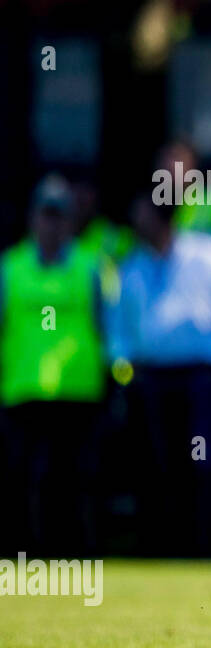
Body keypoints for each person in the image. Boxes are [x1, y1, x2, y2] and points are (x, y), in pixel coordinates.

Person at [108, 190, 211, 556]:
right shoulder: (132, 265)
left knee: (201, 459)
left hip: (200, 377)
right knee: (159, 463)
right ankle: (162, 547)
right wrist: (126, 371)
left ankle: (208, 546)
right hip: (152, 378)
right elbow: (119, 326)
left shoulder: (207, 255)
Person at [0, 175, 111, 556]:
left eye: (59, 217)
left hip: (78, 392)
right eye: (46, 216)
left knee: (74, 481)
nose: (52, 225)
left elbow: (105, 325)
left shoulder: (89, 265)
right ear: (33, 219)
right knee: (20, 478)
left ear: (69, 221)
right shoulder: (11, 267)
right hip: (23, 390)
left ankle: (75, 554)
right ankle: (21, 553)